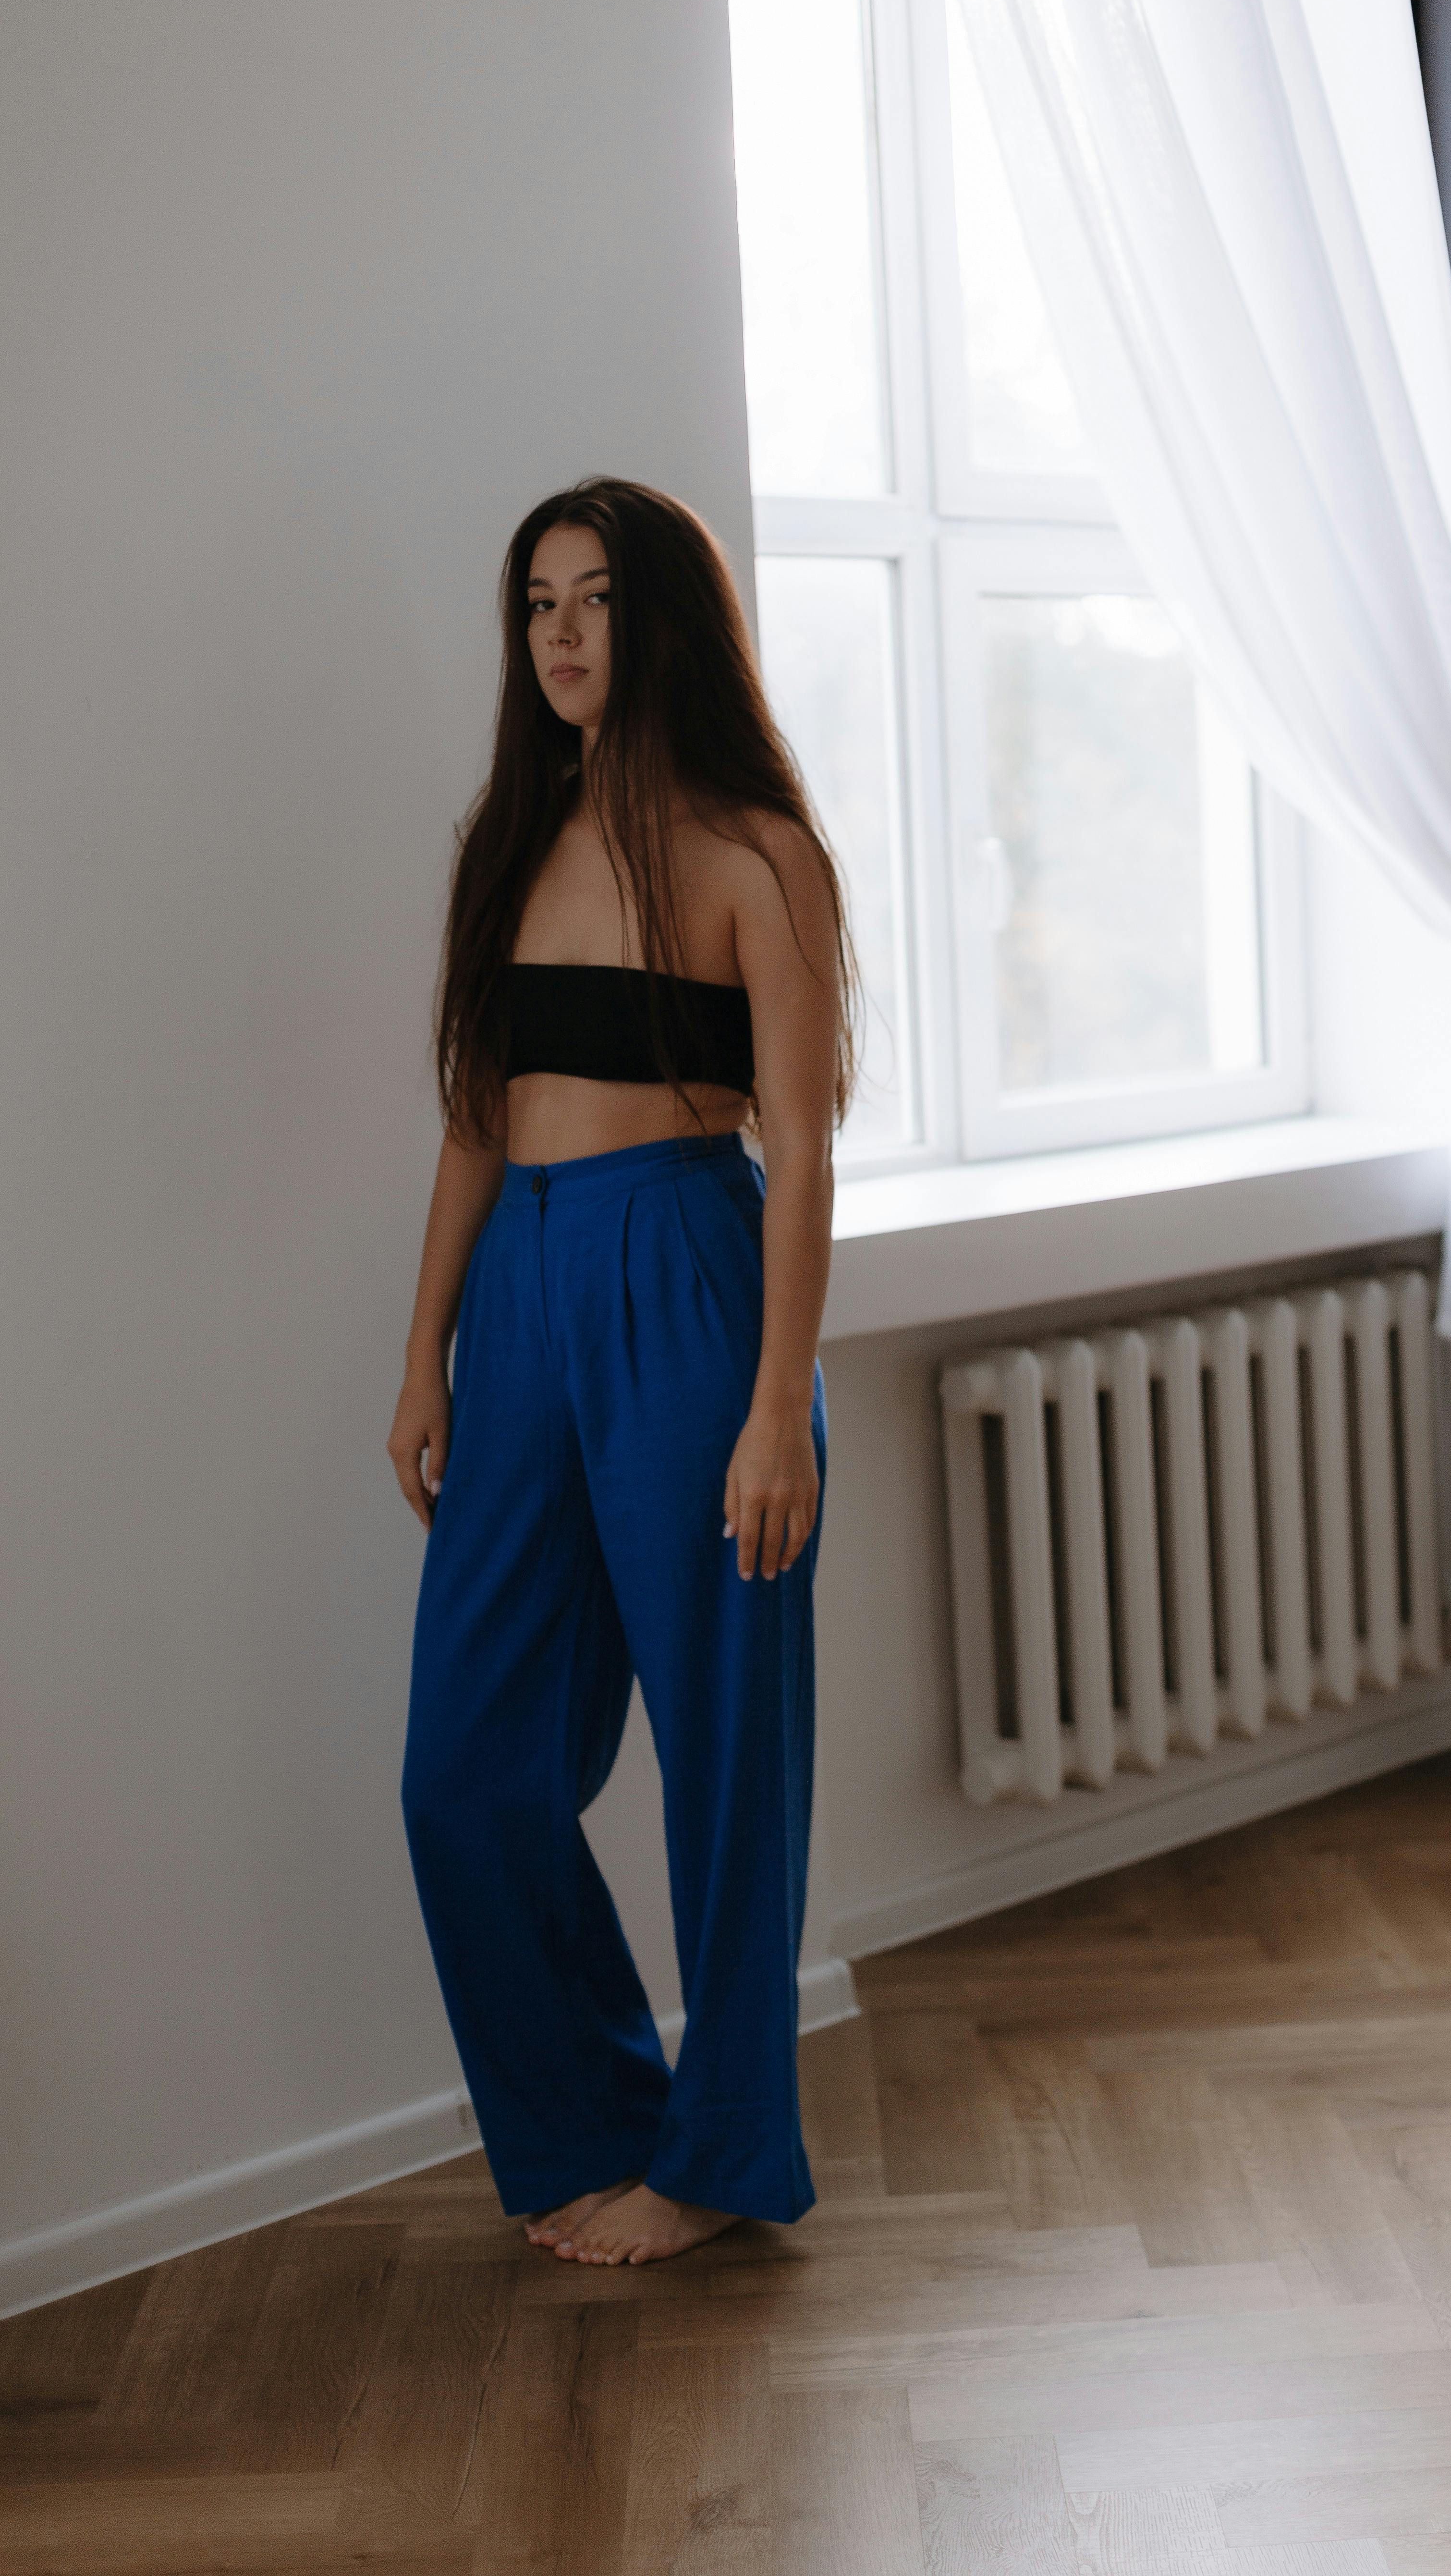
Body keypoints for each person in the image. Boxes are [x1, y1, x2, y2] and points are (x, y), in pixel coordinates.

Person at [387, 476, 855, 2269]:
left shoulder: (758, 858)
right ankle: (585, 2120)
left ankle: (724, 2157)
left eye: (594, 598)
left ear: (663, 622)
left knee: (726, 1754)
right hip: (522, 1295)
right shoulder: (506, 844)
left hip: (690, 1277)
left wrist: (774, 1407)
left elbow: (804, 1156)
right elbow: (471, 1124)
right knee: (466, 1771)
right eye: (537, 604)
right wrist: (426, 1351)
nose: (563, 633)